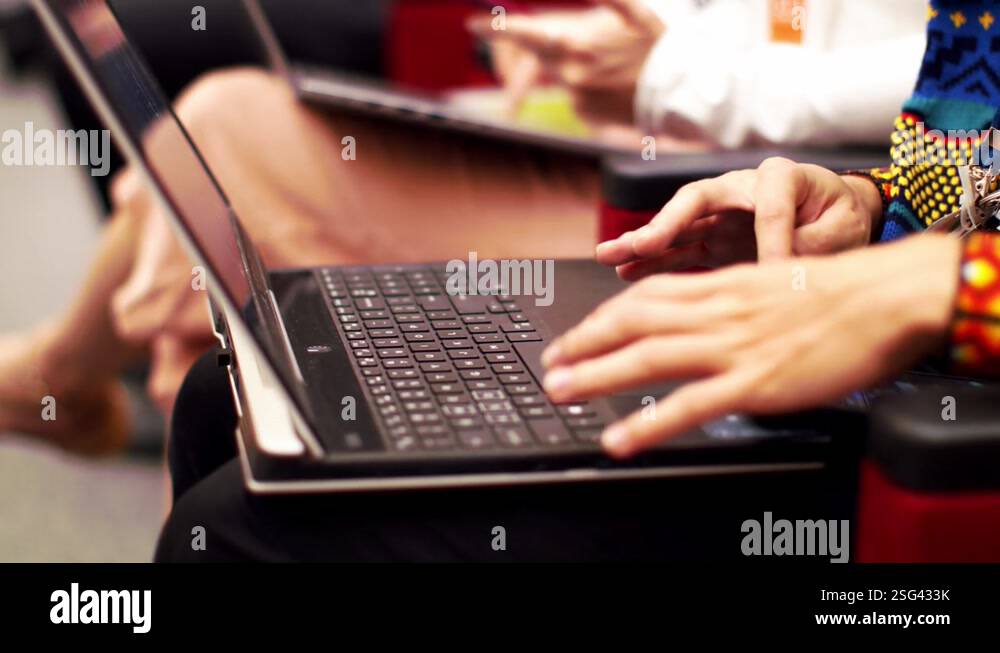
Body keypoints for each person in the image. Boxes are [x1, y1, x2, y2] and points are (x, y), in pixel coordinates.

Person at [154, 0, 1000, 561]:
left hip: (955, 411)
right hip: (903, 309)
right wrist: (871, 207)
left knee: (236, 529)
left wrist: (947, 283)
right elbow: (965, 149)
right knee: (226, 389)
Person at [0, 0, 921, 456]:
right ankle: (73, 374)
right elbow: (761, 20)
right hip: (658, 133)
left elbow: (934, 88)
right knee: (230, 128)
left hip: (724, 192)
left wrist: (670, 70)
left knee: (227, 136)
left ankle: (60, 373)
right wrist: (596, 38)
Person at [471, 0, 926, 147]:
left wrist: (671, 77)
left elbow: (955, 74)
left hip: (896, 224)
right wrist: (592, 40)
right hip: (721, 179)